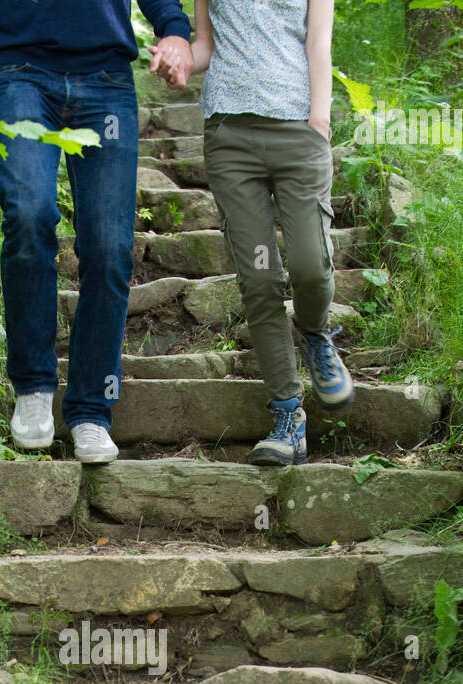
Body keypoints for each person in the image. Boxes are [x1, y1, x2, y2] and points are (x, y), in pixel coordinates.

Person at [0, 0, 194, 464]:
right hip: (22, 76)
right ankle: (33, 387)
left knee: (109, 246)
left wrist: (174, 29)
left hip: (108, 81)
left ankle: (91, 409)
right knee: (28, 216)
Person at [156, 0, 354, 466]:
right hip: (230, 140)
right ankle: (287, 416)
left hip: (299, 132)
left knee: (310, 265)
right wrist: (179, 62)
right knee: (260, 278)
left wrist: (319, 121)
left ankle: (314, 333)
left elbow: (318, 42)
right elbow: (206, 47)